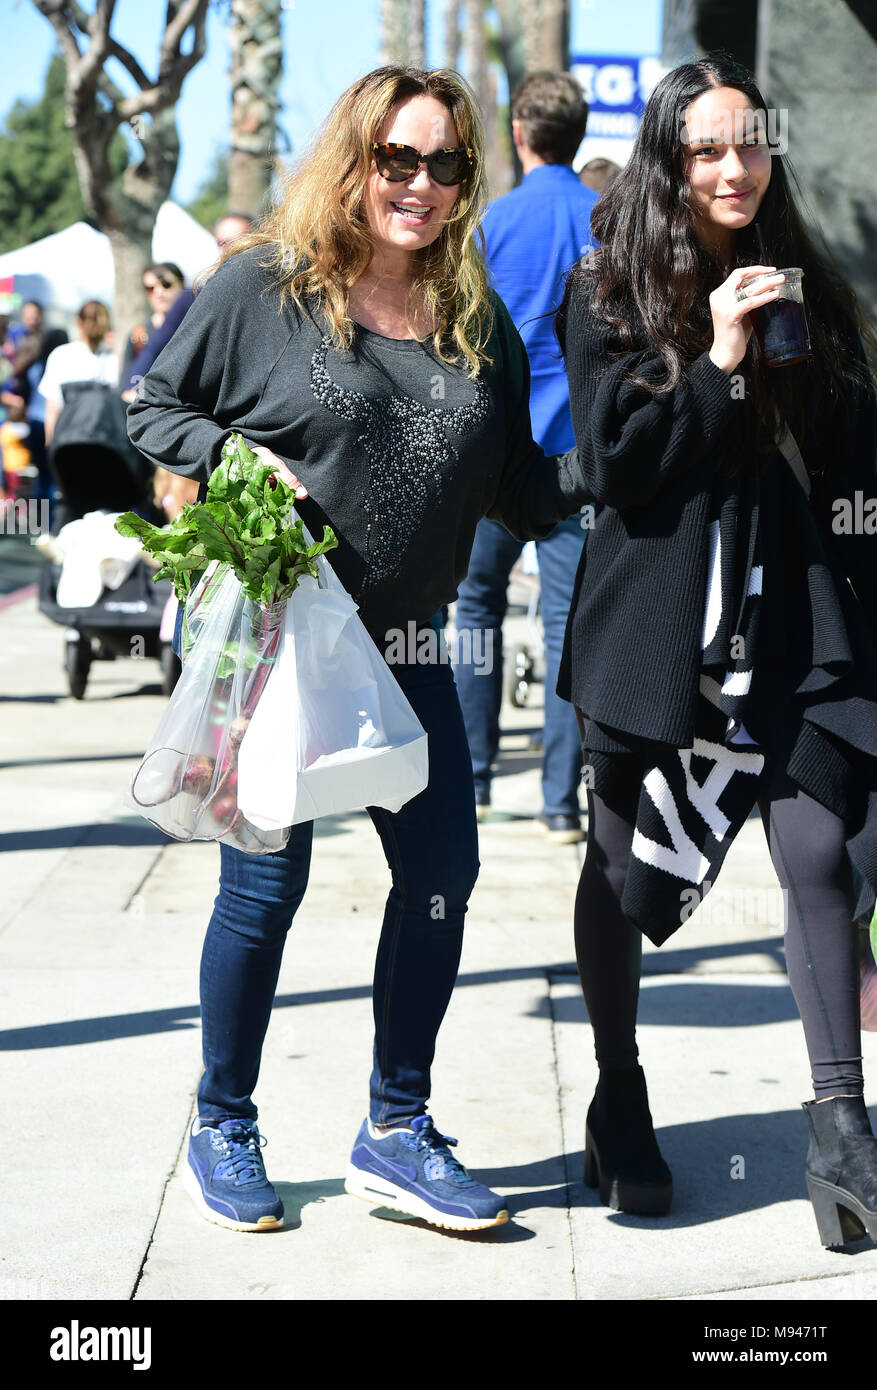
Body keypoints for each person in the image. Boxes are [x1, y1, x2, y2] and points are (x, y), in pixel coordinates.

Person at [127, 64, 591, 1235]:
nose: (420, 185)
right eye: (398, 159)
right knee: (264, 885)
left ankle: (396, 1125)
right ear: (356, 161)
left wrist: (638, 458)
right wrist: (237, 457)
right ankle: (221, 1117)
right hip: (280, 641)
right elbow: (154, 404)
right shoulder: (265, 289)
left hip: (409, 645)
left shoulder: (474, 316)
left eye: (444, 164)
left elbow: (523, 488)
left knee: (441, 878)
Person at [556, 53, 877, 1248]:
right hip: (657, 621)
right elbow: (616, 462)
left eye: (748, 142)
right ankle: (618, 1089)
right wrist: (724, 363)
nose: (731, 166)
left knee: (818, 846)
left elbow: (852, 463)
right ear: (669, 160)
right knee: (619, 868)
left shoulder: (809, 284)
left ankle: (842, 1130)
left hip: (788, 614)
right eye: (705, 148)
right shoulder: (607, 289)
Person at [454, 70, 596, 843]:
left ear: (518, 134)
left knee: (474, 612)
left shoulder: (490, 225)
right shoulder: (607, 220)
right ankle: (558, 803)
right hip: (579, 466)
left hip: (495, 461)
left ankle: (472, 779)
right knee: (566, 625)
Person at [36, 302, 117, 446]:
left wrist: (50, 442)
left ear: (79, 322)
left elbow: (52, 406)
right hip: (101, 440)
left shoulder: (61, 355)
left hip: (67, 439)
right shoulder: (112, 359)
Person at [123, 263, 195, 394]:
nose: (158, 292)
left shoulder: (196, 327)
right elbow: (127, 388)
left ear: (182, 285)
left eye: (166, 284)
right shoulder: (138, 335)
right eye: (150, 288)